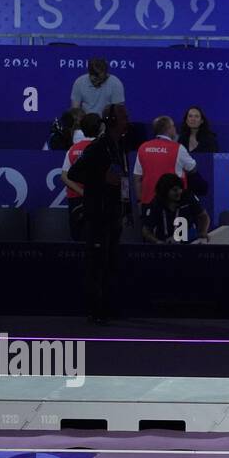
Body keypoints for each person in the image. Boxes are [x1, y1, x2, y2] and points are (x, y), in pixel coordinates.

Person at [67, 104, 132, 324]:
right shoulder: (99, 146)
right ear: (112, 120)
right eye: (123, 117)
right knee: (97, 263)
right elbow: (75, 172)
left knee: (110, 262)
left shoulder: (119, 145)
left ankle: (107, 306)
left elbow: (121, 177)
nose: (127, 121)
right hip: (98, 214)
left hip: (113, 213)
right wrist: (101, 179)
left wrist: (126, 206)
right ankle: (95, 310)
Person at [133, 115, 198, 210]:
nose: (175, 129)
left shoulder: (143, 147)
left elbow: (137, 178)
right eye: (173, 126)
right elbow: (193, 169)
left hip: (148, 203)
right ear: (169, 129)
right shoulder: (177, 148)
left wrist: (140, 201)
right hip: (171, 204)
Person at [60, 112, 102, 242]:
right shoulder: (103, 149)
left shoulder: (73, 150)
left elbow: (64, 176)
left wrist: (82, 192)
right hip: (98, 199)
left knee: (78, 238)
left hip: (76, 199)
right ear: (100, 129)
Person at [142, 173, 210, 244]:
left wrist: (203, 231)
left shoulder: (188, 197)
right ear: (165, 191)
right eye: (175, 190)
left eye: (180, 189)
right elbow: (146, 230)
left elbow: (203, 216)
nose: (179, 192)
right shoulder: (156, 203)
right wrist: (157, 242)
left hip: (189, 243)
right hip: (164, 245)